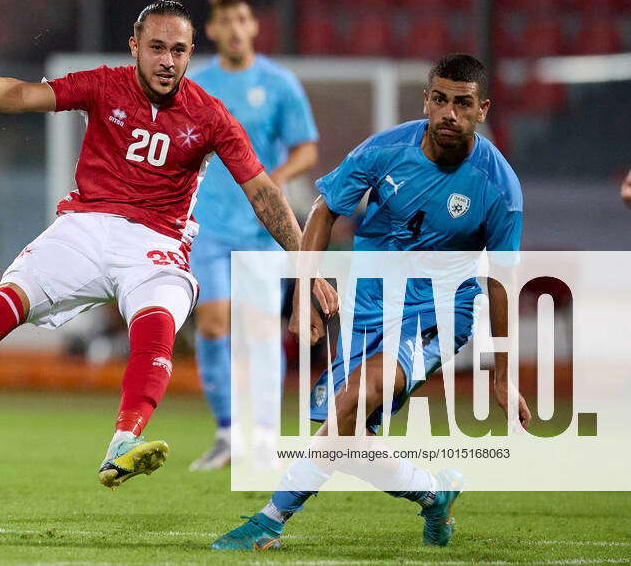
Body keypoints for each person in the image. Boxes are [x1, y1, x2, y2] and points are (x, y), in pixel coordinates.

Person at [0, 0, 337, 488]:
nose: (167, 60)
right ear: (134, 46)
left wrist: (305, 266)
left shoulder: (210, 115)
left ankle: (124, 443)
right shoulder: (103, 84)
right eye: (156, 48)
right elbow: (24, 95)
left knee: (158, 318)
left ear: (190, 53)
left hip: (158, 240)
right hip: (85, 227)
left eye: (178, 50)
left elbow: (263, 190)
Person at [212, 54, 532, 550]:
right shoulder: (385, 152)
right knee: (350, 436)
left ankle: (269, 521)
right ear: (426, 100)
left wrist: (503, 373)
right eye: (441, 99)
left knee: (355, 399)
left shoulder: (499, 186)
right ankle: (433, 492)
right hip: (368, 309)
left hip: (440, 313)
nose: (449, 113)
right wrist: (303, 292)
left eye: (463, 104)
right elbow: (324, 210)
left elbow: (501, 282)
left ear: (482, 109)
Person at [187, 0, 319, 471]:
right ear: (213, 29)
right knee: (214, 322)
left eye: (244, 19)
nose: (236, 29)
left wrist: (276, 178)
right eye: (226, 21)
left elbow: (306, 146)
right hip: (209, 226)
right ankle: (227, 433)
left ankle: (264, 434)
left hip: (263, 230)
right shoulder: (197, 85)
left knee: (263, 329)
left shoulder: (280, 83)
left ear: (254, 26)